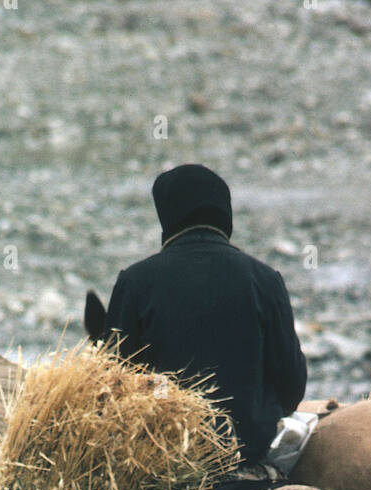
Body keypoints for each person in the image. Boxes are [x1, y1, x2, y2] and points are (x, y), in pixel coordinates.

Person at [103, 164, 308, 470]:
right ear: (224, 212)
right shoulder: (265, 279)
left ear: (167, 214)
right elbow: (292, 386)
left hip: (165, 466)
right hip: (246, 458)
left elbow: (112, 386)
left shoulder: (136, 282)